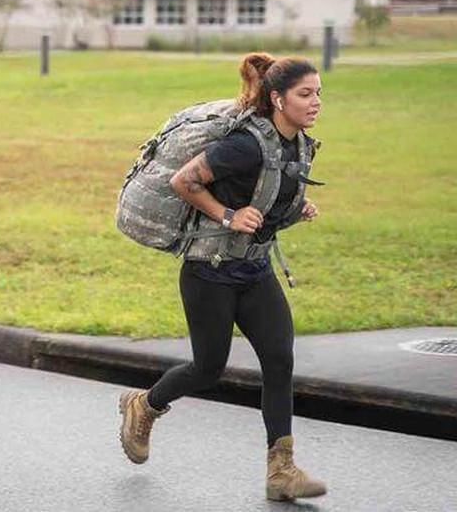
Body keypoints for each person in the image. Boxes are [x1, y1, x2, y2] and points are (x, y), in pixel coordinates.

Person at [118, 52, 326, 502]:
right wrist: (227, 215)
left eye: (318, 94)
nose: (315, 103)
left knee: (279, 358)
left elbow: (264, 201)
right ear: (277, 98)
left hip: (254, 270)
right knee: (209, 367)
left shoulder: (296, 143)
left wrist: (294, 210)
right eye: (305, 94)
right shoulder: (246, 144)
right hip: (210, 271)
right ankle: (144, 405)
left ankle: (281, 471)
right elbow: (185, 181)